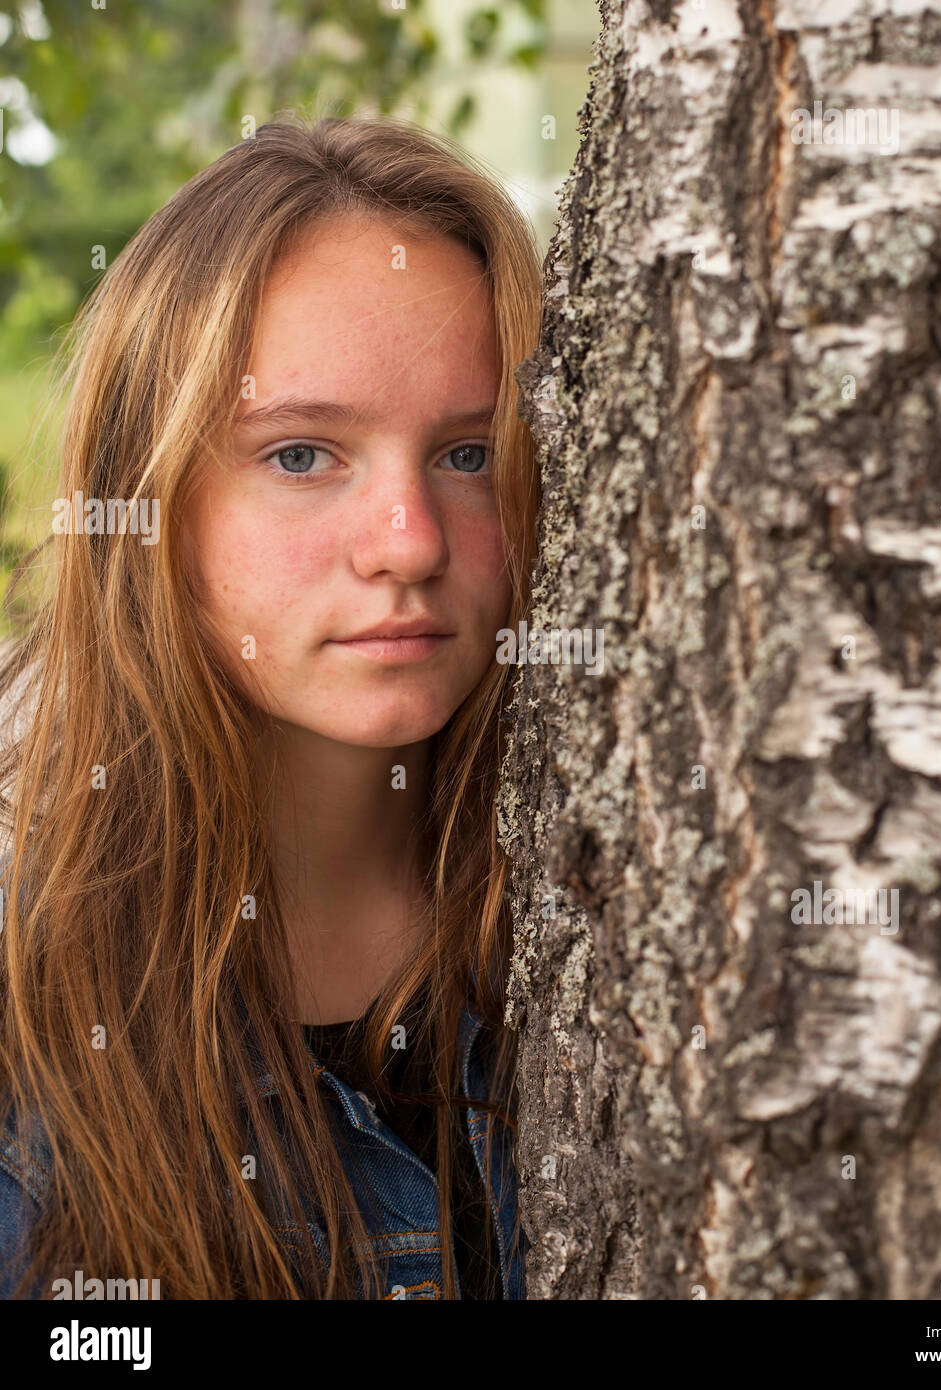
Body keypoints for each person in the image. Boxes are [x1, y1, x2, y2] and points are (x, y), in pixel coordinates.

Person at [0, 113, 542, 1300]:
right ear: (148, 500)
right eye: (302, 455)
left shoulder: (599, 903)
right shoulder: (28, 996)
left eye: (467, 454)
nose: (405, 544)